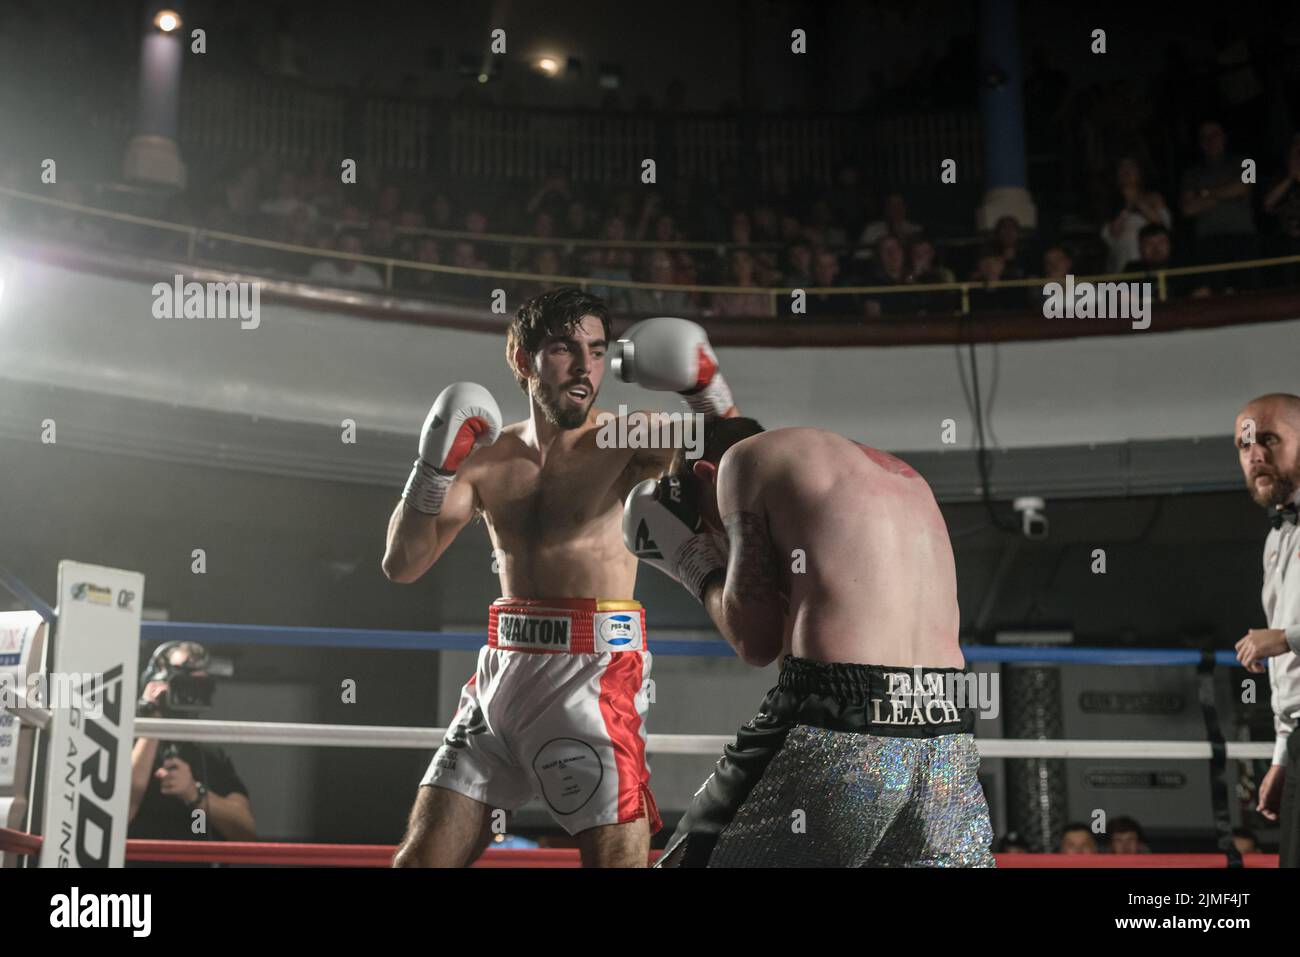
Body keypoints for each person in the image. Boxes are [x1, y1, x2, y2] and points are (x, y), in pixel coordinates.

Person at [384, 289, 739, 867]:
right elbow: (403, 564)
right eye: (564, 349)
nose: (584, 367)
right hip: (499, 674)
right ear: (523, 359)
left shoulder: (629, 438)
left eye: (597, 351)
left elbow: (738, 461)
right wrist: (431, 469)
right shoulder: (487, 456)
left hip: (592, 676)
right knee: (419, 863)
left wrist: (708, 392)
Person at [624, 420, 994, 866]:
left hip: (838, 727)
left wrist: (693, 560)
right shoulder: (898, 474)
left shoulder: (740, 462)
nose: (718, 536)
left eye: (709, 524)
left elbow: (755, 641)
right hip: (946, 735)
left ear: (707, 474)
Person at [1233, 392, 1300, 867]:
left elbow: (1284, 642)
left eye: (1270, 439)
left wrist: (1287, 637)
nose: (1256, 454)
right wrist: (1281, 755)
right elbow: (1289, 674)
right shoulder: (1277, 538)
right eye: (1245, 445)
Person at [128, 641, 255, 865]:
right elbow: (117, 814)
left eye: (200, 683)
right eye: (183, 680)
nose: (191, 691)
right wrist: (153, 718)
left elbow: (245, 833)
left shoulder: (211, 757)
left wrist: (193, 793)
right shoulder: (125, 747)